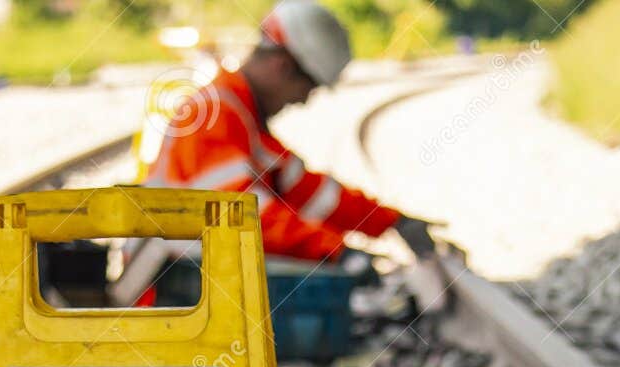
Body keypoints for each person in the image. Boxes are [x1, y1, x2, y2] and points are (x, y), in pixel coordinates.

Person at [140, 0, 436, 269]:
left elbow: (312, 193)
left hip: (195, 287)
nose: (304, 100)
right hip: (171, 298)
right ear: (283, 66)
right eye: (309, 87)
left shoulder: (243, 120)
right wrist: (338, 252)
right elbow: (239, 218)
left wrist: (390, 221)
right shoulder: (214, 114)